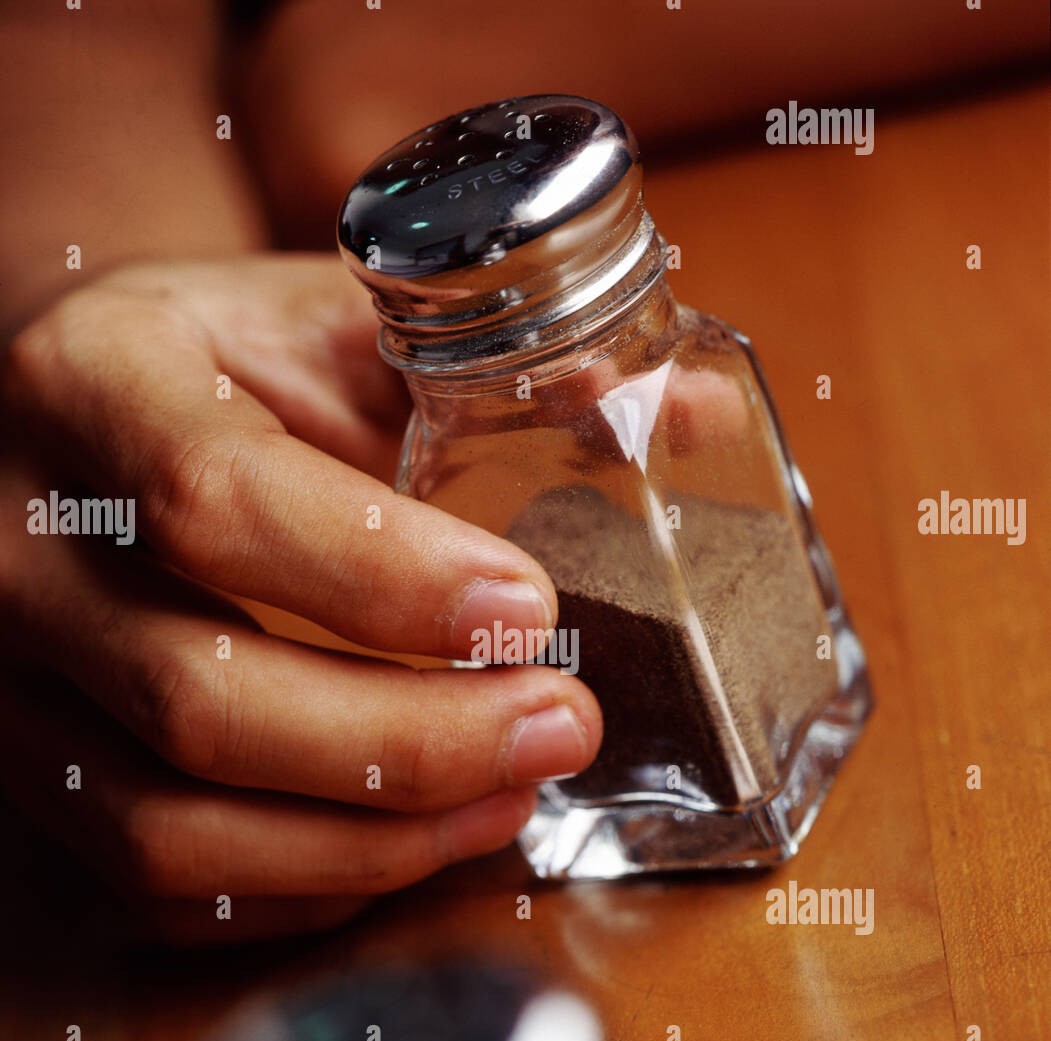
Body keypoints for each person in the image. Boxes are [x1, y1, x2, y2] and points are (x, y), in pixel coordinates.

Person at [0, 0, 1040, 941]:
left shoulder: (692, 352)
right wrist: (89, 309)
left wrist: (344, 62)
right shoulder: (430, 442)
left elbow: (349, 83)